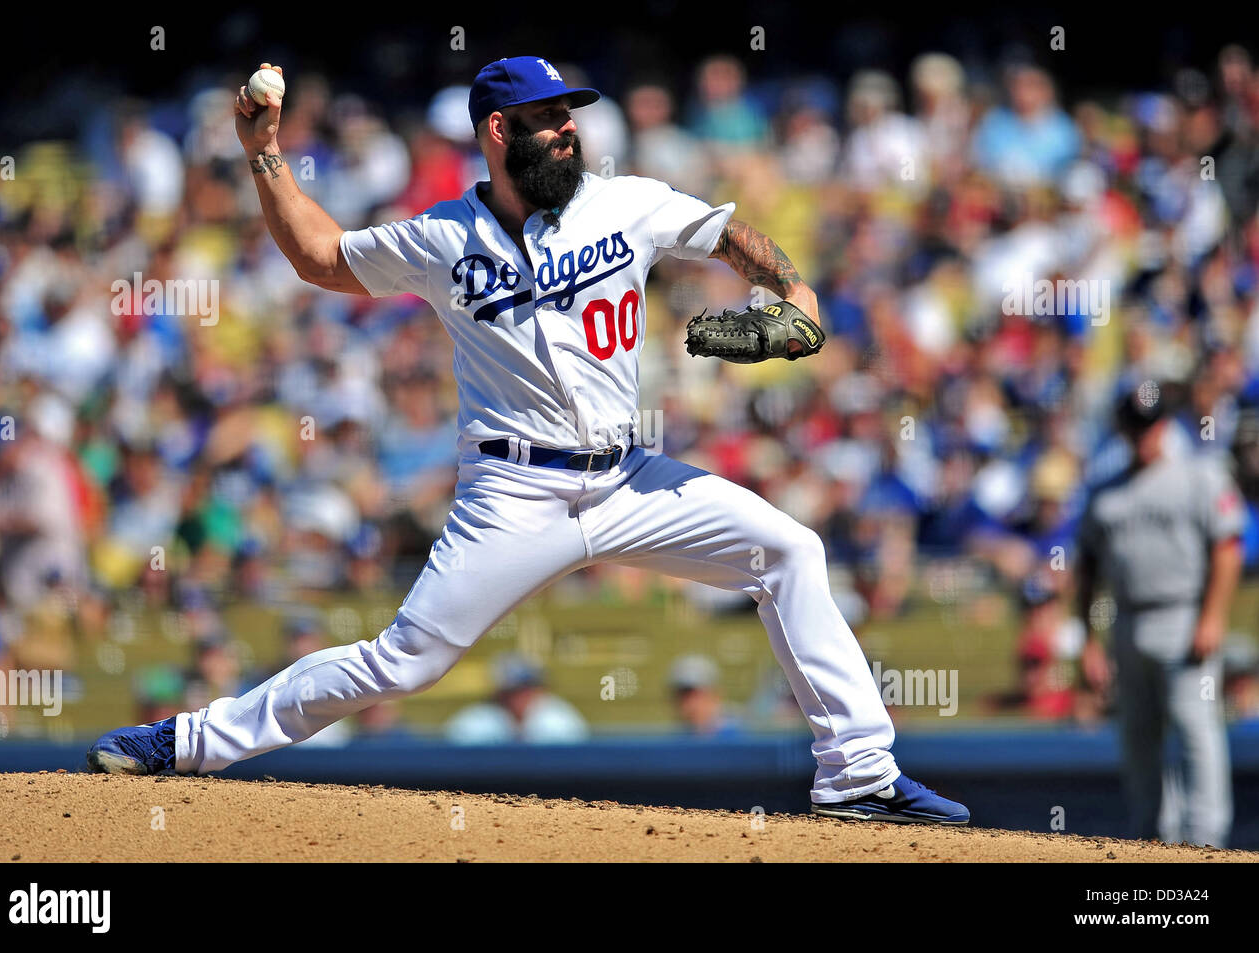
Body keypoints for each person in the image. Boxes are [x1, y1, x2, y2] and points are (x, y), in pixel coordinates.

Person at [86, 56, 968, 826]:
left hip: (629, 478)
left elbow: (729, 235)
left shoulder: (627, 203)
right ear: (498, 130)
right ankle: (191, 740)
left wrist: (796, 293)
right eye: (547, 120)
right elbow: (319, 256)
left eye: (570, 117)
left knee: (791, 549)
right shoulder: (440, 238)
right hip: (511, 495)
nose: (567, 133)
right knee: (404, 660)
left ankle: (857, 774)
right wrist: (264, 154)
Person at [1076, 386, 1244, 846]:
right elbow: (1086, 567)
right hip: (1127, 623)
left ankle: (1207, 840)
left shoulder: (1199, 477)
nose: (1144, 435)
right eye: (1136, 426)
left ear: (1165, 425)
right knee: (1137, 738)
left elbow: (1228, 549)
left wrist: (1212, 617)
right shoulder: (1105, 492)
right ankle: (1150, 839)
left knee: (1194, 728)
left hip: (1183, 615)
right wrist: (1089, 637)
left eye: (1151, 424)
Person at [443, 654, 589, 744]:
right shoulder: (475, 721)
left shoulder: (560, 718)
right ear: (499, 693)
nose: (522, 696)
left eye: (529, 688)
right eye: (514, 691)